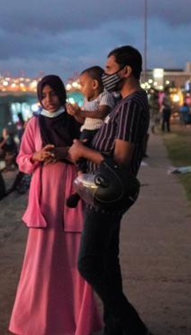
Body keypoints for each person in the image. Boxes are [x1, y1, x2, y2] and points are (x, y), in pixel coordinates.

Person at [9, 75, 101, 335]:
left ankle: (76, 322)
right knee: (40, 261)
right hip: (44, 201)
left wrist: (66, 155)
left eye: (54, 94)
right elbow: (22, 159)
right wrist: (37, 156)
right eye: (44, 95)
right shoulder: (34, 125)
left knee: (74, 261)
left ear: (61, 94)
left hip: (72, 196)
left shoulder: (76, 121)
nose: (49, 100)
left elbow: (89, 155)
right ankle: (34, 322)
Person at [68, 45, 151, 335]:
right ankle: (114, 327)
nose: (106, 76)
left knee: (89, 264)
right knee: (106, 260)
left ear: (126, 71)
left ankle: (134, 327)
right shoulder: (128, 103)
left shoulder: (130, 105)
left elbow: (121, 159)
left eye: (109, 70)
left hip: (106, 193)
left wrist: (82, 151)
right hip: (103, 191)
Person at [65, 65, 115, 206]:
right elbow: (83, 120)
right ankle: (81, 183)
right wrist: (75, 114)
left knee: (83, 154)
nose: (80, 88)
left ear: (94, 84)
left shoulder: (105, 96)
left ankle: (82, 188)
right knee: (78, 157)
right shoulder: (86, 99)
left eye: (82, 84)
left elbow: (101, 114)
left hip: (97, 132)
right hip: (86, 130)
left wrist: (80, 113)